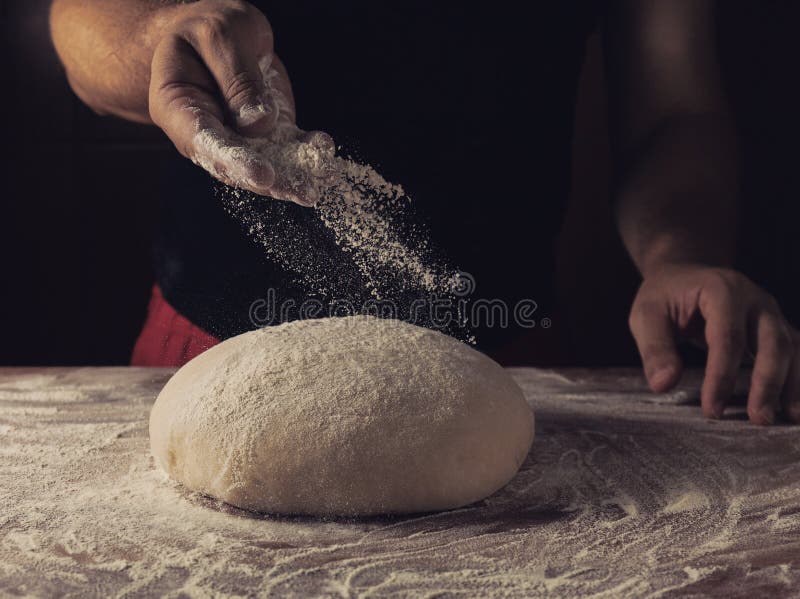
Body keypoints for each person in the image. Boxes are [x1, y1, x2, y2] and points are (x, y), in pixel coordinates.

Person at [50, 0, 799, 425]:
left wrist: (678, 254)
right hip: (211, 357)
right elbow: (81, 22)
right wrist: (156, 39)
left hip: (500, 366)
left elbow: (674, 106)